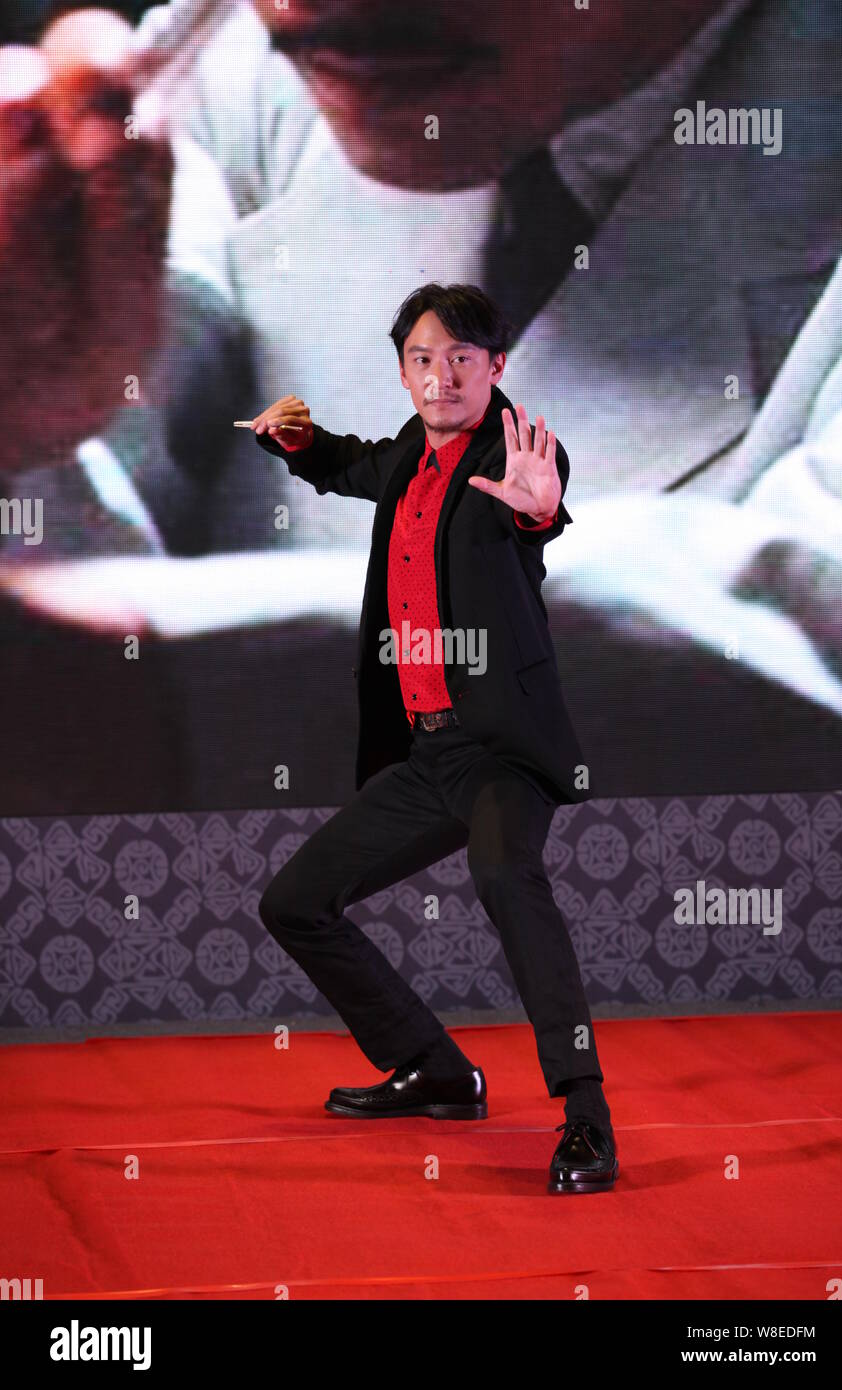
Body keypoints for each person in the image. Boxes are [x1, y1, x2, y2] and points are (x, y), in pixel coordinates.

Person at [254, 283, 618, 1194]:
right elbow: (350, 463)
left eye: (462, 358)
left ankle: (586, 1119)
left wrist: (539, 509)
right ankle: (434, 1069)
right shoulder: (412, 454)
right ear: (406, 372)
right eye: (423, 358)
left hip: (503, 751)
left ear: (496, 367)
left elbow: (533, 511)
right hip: (428, 759)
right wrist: (293, 440)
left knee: (504, 876)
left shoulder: (519, 455)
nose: (441, 374)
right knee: (295, 902)